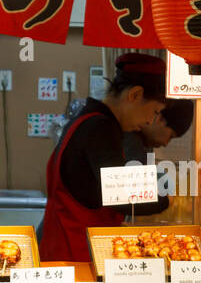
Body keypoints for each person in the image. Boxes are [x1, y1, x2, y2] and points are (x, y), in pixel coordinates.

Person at [38, 53, 168, 263]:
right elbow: (119, 195)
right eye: (154, 111)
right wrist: (164, 197)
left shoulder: (88, 120)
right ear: (134, 95)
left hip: (66, 253)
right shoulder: (99, 129)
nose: (149, 121)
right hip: (76, 261)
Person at [122, 98, 196, 217]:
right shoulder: (131, 141)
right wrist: (166, 199)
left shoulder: (141, 142)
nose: (166, 143)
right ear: (159, 119)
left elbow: (149, 168)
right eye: (170, 136)